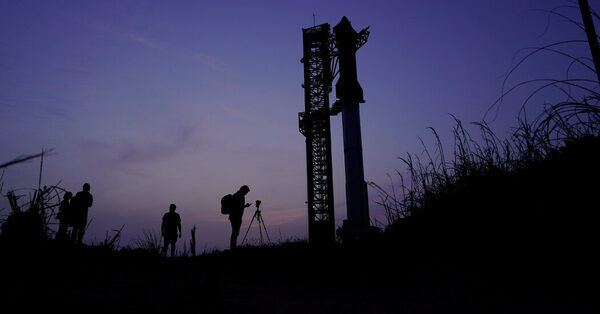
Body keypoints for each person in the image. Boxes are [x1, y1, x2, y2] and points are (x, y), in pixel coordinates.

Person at [229, 185, 251, 250]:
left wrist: (244, 206)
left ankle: (233, 247)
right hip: (236, 217)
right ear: (243, 190)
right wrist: (245, 206)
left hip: (234, 217)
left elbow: (238, 206)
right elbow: (238, 207)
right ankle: (233, 247)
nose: (246, 193)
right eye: (246, 192)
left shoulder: (236, 195)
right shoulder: (239, 196)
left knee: (235, 232)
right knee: (235, 233)